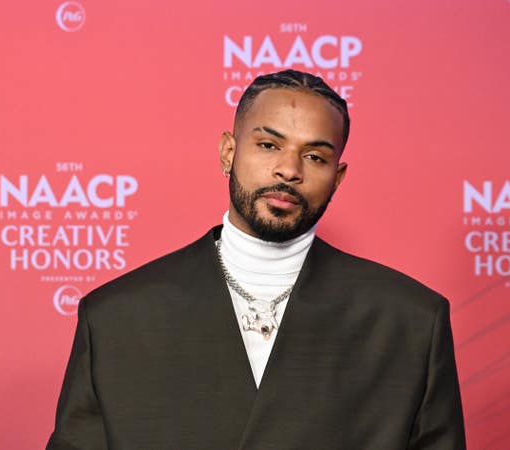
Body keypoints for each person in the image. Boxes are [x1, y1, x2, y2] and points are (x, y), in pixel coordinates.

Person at [47, 69, 466, 449]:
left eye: (315, 157)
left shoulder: (409, 322)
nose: (288, 169)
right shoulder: (117, 317)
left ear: (337, 178)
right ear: (228, 152)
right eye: (268, 145)